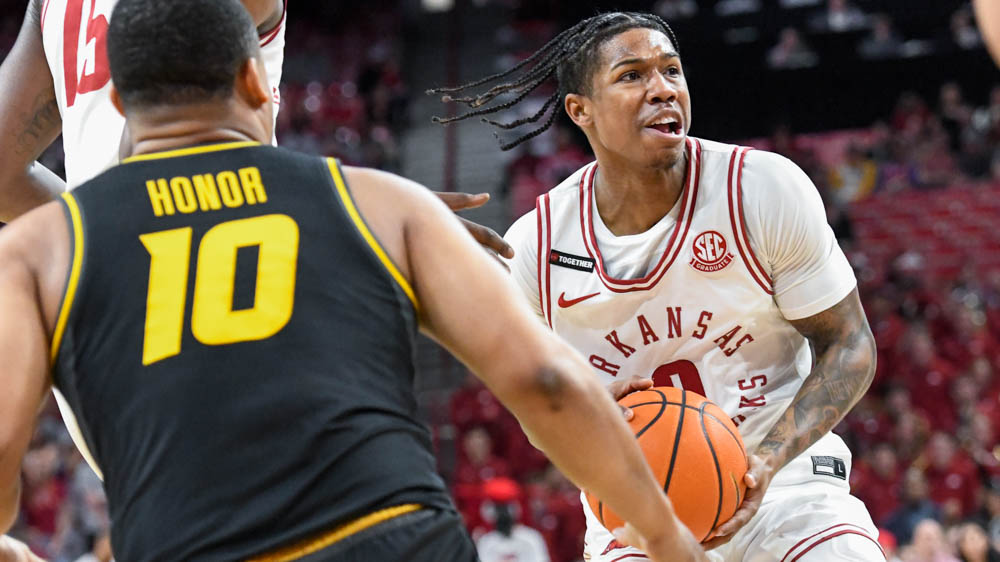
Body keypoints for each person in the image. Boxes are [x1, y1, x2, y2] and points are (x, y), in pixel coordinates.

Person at [0, 1, 706, 561]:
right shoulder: (371, 203)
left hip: (177, 512)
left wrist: (104, 240)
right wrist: (667, 540)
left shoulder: (42, 254)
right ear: (256, 79)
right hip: (390, 532)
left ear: (120, 103)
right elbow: (547, 384)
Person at [0, 0, 512, 486]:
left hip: (104, 356)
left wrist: (108, 240)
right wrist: (354, 211)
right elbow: (200, 151)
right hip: (225, 311)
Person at [432, 11, 882, 562]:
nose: (663, 89)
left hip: (786, 489)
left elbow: (850, 344)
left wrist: (765, 460)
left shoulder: (761, 188)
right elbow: (533, 405)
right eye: (632, 75)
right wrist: (583, 412)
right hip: (635, 512)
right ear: (581, 111)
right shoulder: (535, 247)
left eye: (671, 70)